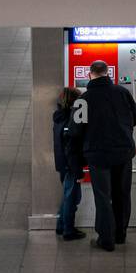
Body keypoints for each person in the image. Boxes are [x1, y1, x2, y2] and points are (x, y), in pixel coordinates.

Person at [75, 60, 136, 251]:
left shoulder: (84, 99)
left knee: (103, 197)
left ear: (90, 75)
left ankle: (106, 239)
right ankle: (120, 234)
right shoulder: (123, 93)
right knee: (122, 194)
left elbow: (76, 130)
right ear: (107, 73)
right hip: (123, 152)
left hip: (98, 155)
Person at [52, 87, 87, 241]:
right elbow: (71, 150)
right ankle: (68, 230)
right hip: (70, 165)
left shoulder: (59, 117)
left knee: (68, 197)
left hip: (62, 164)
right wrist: (78, 171)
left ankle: (61, 226)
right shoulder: (70, 122)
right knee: (72, 198)